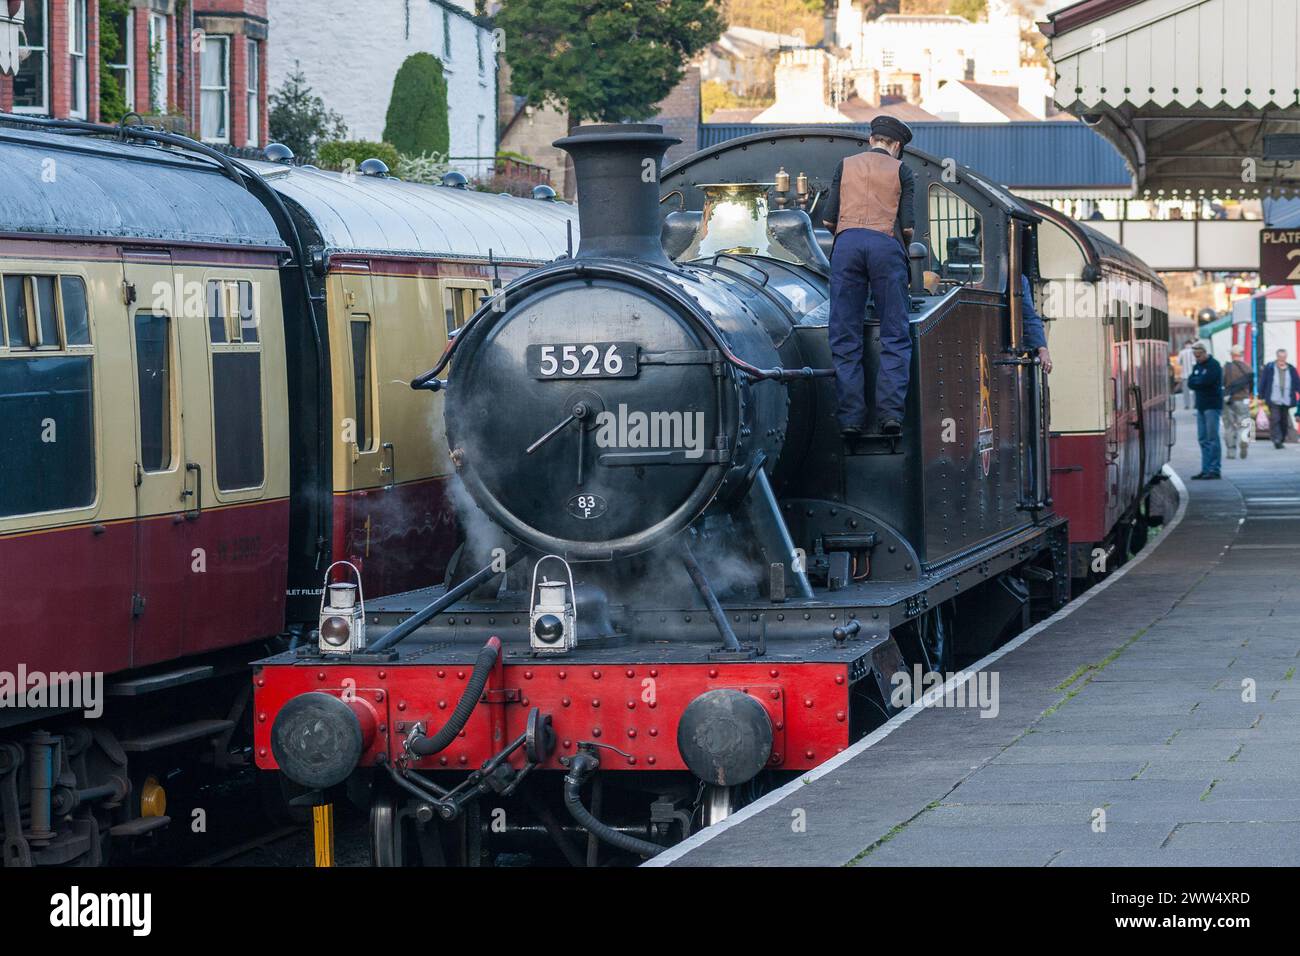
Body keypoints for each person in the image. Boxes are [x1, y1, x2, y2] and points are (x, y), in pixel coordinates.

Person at [822, 115, 915, 439]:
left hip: (846, 246)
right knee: (894, 333)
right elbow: (906, 227)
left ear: (871, 139)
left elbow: (828, 220)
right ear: (897, 146)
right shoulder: (902, 170)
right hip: (885, 247)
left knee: (844, 335)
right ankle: (890, 415)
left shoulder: (844, 165)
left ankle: (850, 418)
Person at [1186, 341, 1222, 479]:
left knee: (1212, 438)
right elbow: (1191, 382)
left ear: (1204, 352)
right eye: (1195, 356)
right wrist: (1198, 381)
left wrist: (1198, 381)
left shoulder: (1214, 366)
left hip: (1212, 405)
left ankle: (1214, 469)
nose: (1197, 358)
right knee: (1202, 438)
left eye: (1199, 355)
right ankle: (1205, 468)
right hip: (1201, 405)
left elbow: (1207, 381)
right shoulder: (1197, 366)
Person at [1258, 349, 1300, 449]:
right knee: (1275, 418)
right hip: (1273, 398)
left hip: (1286, 399)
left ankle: (1281, 438)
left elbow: (1297, 382)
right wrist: (1261, 396)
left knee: (1284, 420)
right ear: (1277, 357)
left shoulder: (1291, 368)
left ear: (1286, 357)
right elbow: (1263, 381)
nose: (1282, 359)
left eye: (1284, 357)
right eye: (1280, 357)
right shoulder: (1270, 367)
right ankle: (1276, 439)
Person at [1221, 344, 1253, 459]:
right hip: (1243, 400)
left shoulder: (1226, 367)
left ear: (1232, 355)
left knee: (1229, 426)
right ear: (1241, 355)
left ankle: (1231, 451)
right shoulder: (1248, 368)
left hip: (1229, 401)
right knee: (1245, 424)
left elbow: (1222, 382)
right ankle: (1244, 442)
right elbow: (1251, 386)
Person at [1178, 339, 1198, 409]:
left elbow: (1179, 362)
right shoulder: (1194, 352)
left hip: (1184, 375)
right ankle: (1195, 404)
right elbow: (1195, 362)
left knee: (1186, 391)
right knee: (1195, 390)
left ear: (1185, 345)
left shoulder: (1181, 352)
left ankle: (1187, 405)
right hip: (1193, 375)